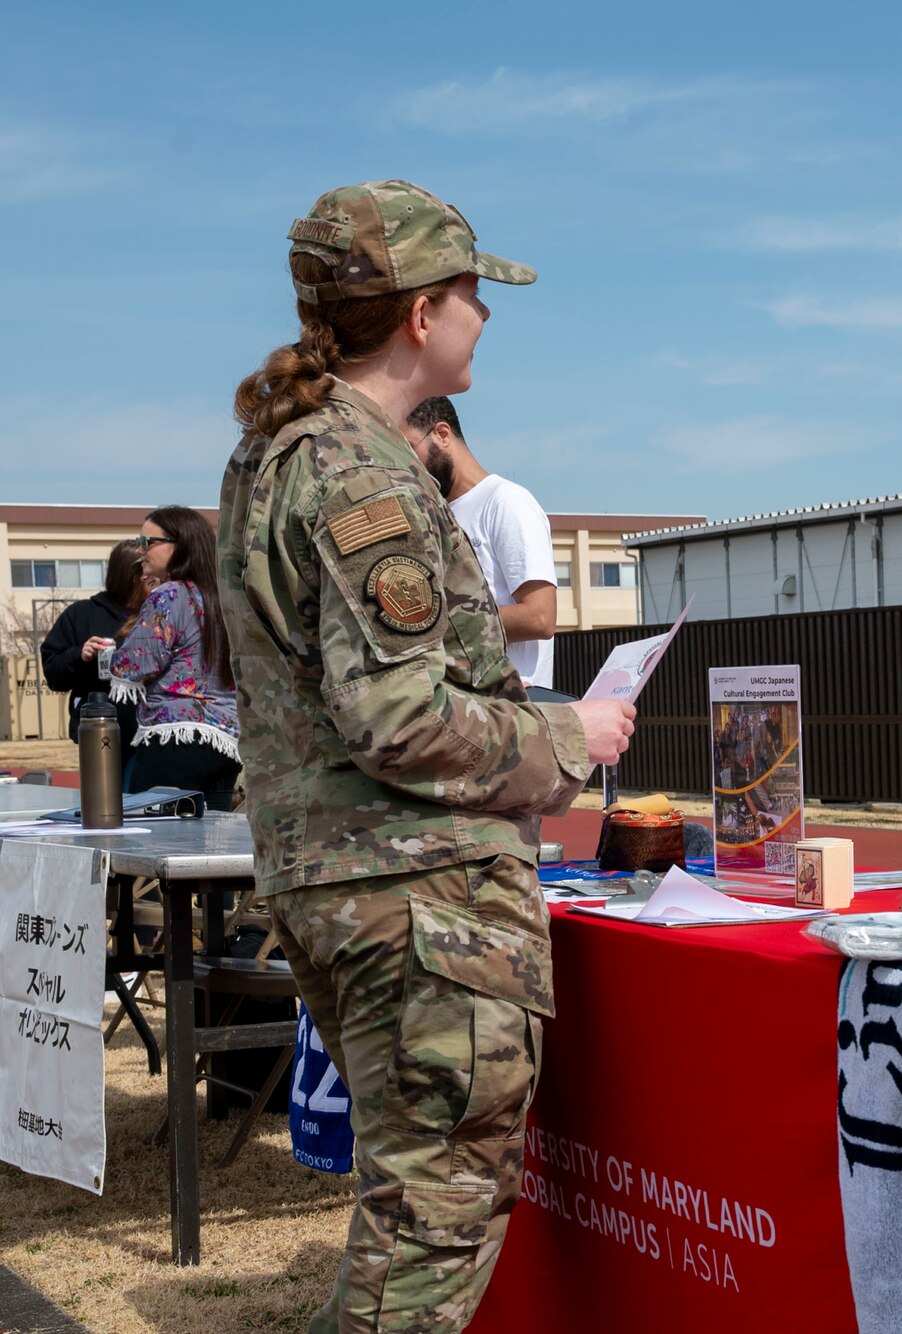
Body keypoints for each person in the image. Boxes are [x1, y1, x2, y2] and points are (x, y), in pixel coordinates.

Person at [217, 179, 635, 1334]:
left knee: (406, 1221)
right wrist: (569, 736)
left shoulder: (282, 454)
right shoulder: (363, 474)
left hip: (350, 887)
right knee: (428, 1237)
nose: (481, 318)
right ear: (415, 314)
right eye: (467, 295)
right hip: (416, 902)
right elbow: (398, 718)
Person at [402, 395, 560, 688]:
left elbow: (540, 617)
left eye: (410, 448)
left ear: (442, 434)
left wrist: (434, 627)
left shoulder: (506, 502)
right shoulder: (435, 515)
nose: (407, 465)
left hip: (514, 711)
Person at [107, 507, 241, 810]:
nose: (141, 552)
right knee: (211, 846)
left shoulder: (169, 595)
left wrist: (113, 656)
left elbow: (134, 664)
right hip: (228, 741)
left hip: (174, 738)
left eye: (148, 542)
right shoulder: (227, 597)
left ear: (180, 545)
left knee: (157, 842)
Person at [38, 537, 146, 758]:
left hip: (150, 726)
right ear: (129, 575)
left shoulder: (160, 610)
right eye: (145, 569)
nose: (152, 576)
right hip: (100, 725)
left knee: (147, 792)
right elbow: (53, 673)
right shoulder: (81, 614)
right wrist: (81, 655)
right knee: (102, 790)